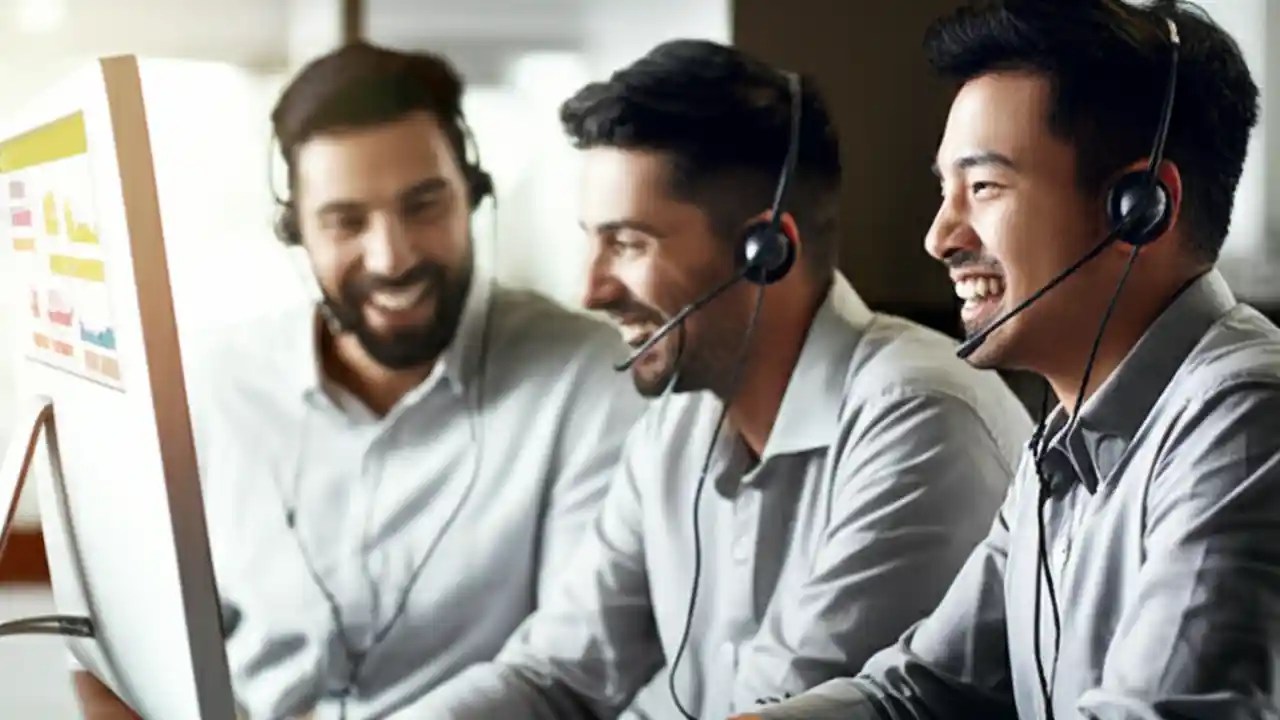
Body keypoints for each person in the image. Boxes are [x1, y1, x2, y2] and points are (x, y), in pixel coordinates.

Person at [395, 39, 1032, 720]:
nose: (590, 288)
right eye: (592, 240)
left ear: (767, 252)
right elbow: (555, 674)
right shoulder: (673, 435)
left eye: (629, 243)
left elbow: (782, 706)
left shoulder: (917, 417)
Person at [736, 1, 1280, 719]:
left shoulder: (1245, 418)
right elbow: (922, 691)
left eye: (984, 187)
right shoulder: (1063, 444)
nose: (939, 236)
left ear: (1140, 207)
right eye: (944, 190)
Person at [74, 42, 645, 720]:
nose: (392, 256)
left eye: (423, 205)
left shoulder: (585, 380)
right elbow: (106, 665)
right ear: (295, 231)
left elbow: (577, 666)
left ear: (473, 193)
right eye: (346, 221)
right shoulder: (206, 388)